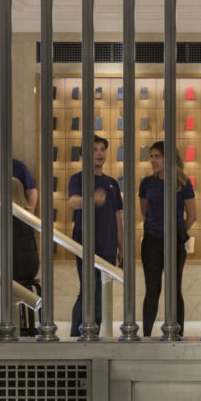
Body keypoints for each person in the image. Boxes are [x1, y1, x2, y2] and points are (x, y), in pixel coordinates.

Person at [67, 134, 124, 338]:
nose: (100, 153)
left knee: (98, 297)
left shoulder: (112, 183)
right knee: (88, 294)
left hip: (108, 248)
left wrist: (122, 248)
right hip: (85, 245)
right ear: (84, 156)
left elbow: (118, 216)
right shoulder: (78, 179)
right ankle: (78, 336)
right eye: (95, 149)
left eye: (102, 149)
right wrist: (91, 199)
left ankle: (87, 336)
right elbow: (72, 202)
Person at [140, 141, 197, 338]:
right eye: (152, 156)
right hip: (151, 242)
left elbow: (191, 215)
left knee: (174, 289)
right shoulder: (146, 183)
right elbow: (145, 212)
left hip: (174, 244)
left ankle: (177, 334)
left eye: (157, 156)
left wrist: (178, 231)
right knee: (152, 290)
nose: (153, 160)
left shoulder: (182, 183)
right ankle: (146, 334)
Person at [11, 158, 41, 336]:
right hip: (31, 268)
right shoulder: (26, 219)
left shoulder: (6, 219)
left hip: (13, 269)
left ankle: (13, 322)